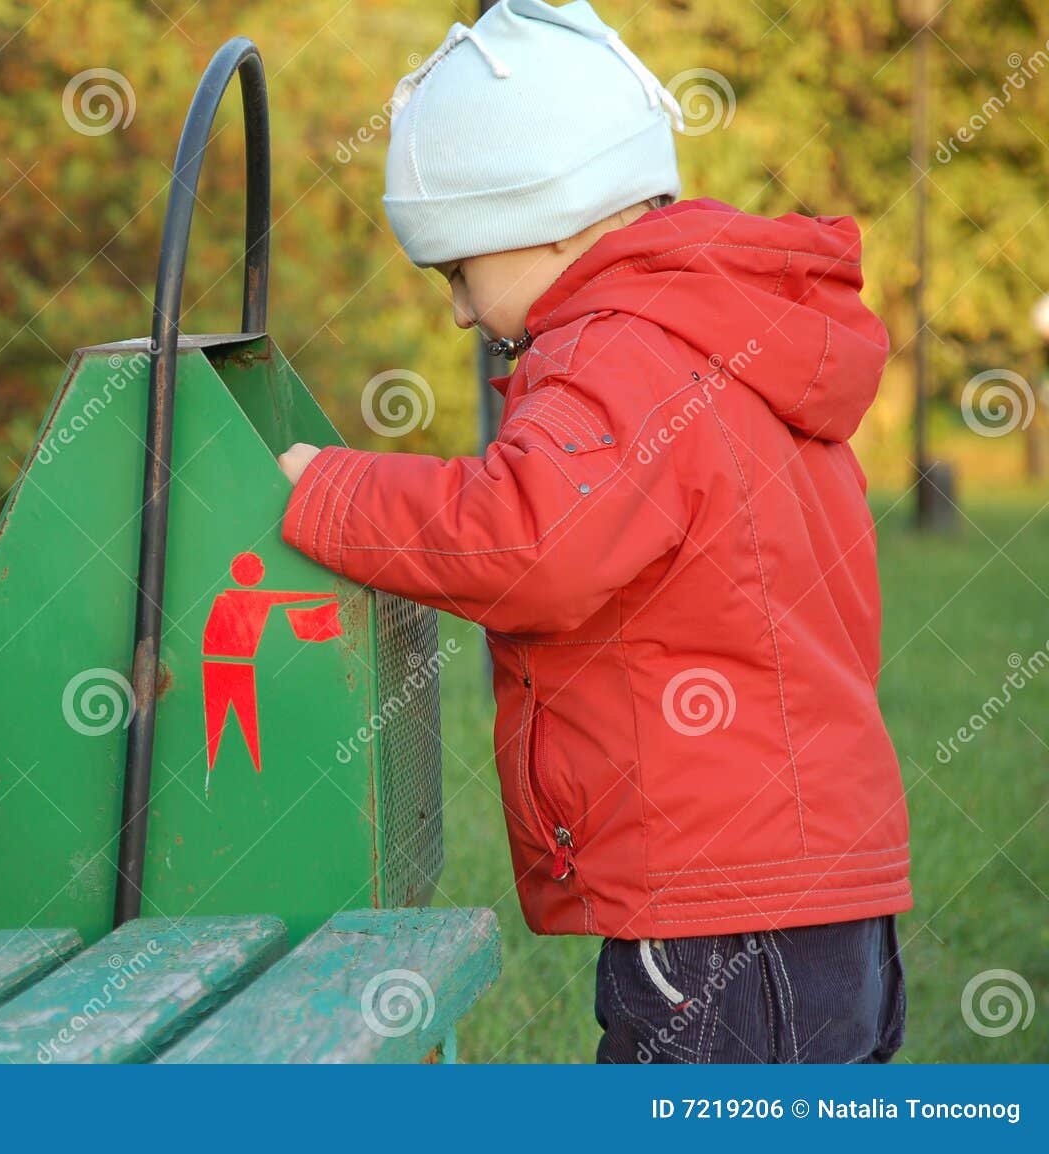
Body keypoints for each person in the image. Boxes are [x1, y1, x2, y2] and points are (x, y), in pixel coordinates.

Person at [275, 0, 909, 1063]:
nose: (459, 314)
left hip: (720, 913)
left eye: (456, 271)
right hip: (820, 891)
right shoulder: (724, 333)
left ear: (555, 217)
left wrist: (327, 490)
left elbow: (524, 540)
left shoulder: (616, 351)